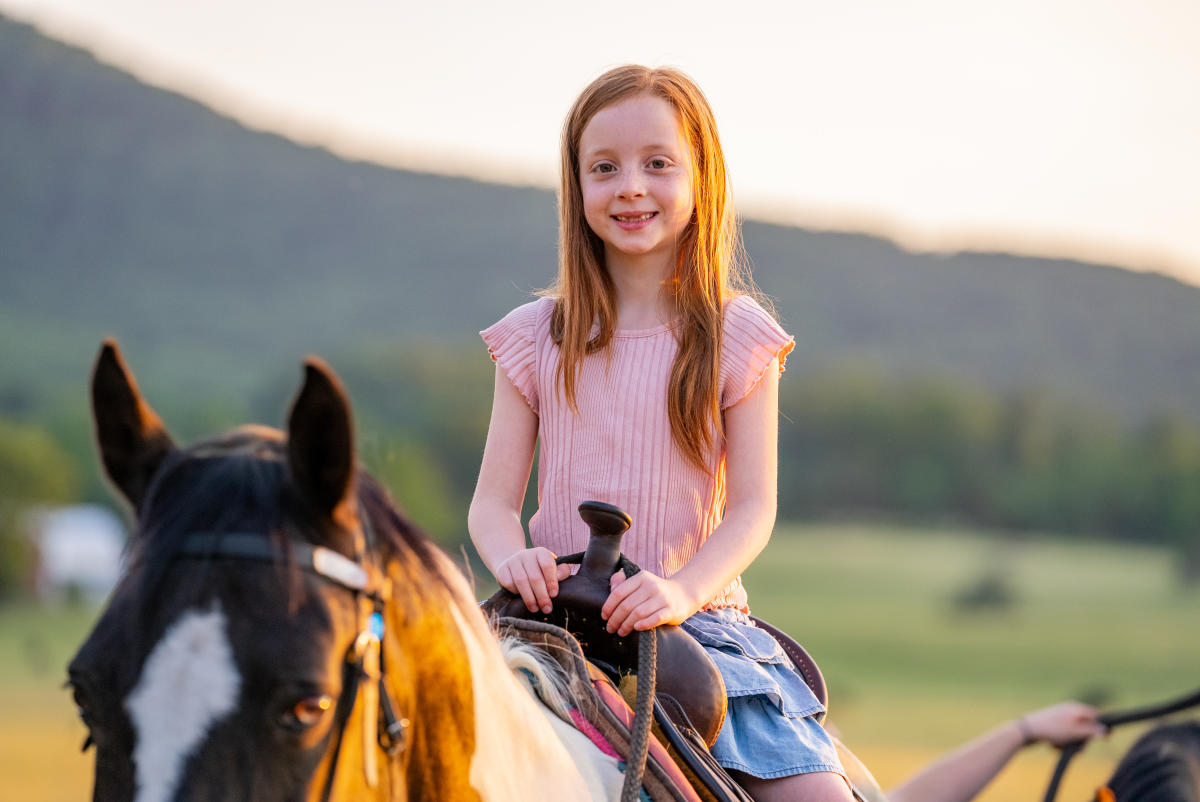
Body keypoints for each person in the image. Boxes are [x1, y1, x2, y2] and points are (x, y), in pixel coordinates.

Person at [469, 64, 852, 801]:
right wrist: (512, 559)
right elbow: (491, 503)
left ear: (699, 179)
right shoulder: (534, 337)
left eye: (657, 164)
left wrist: (679, 591)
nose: (631, 187)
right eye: (603, 168)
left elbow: (752, 510)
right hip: (553, 625)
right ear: (576, 187)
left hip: (696, 628)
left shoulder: (737, 335)